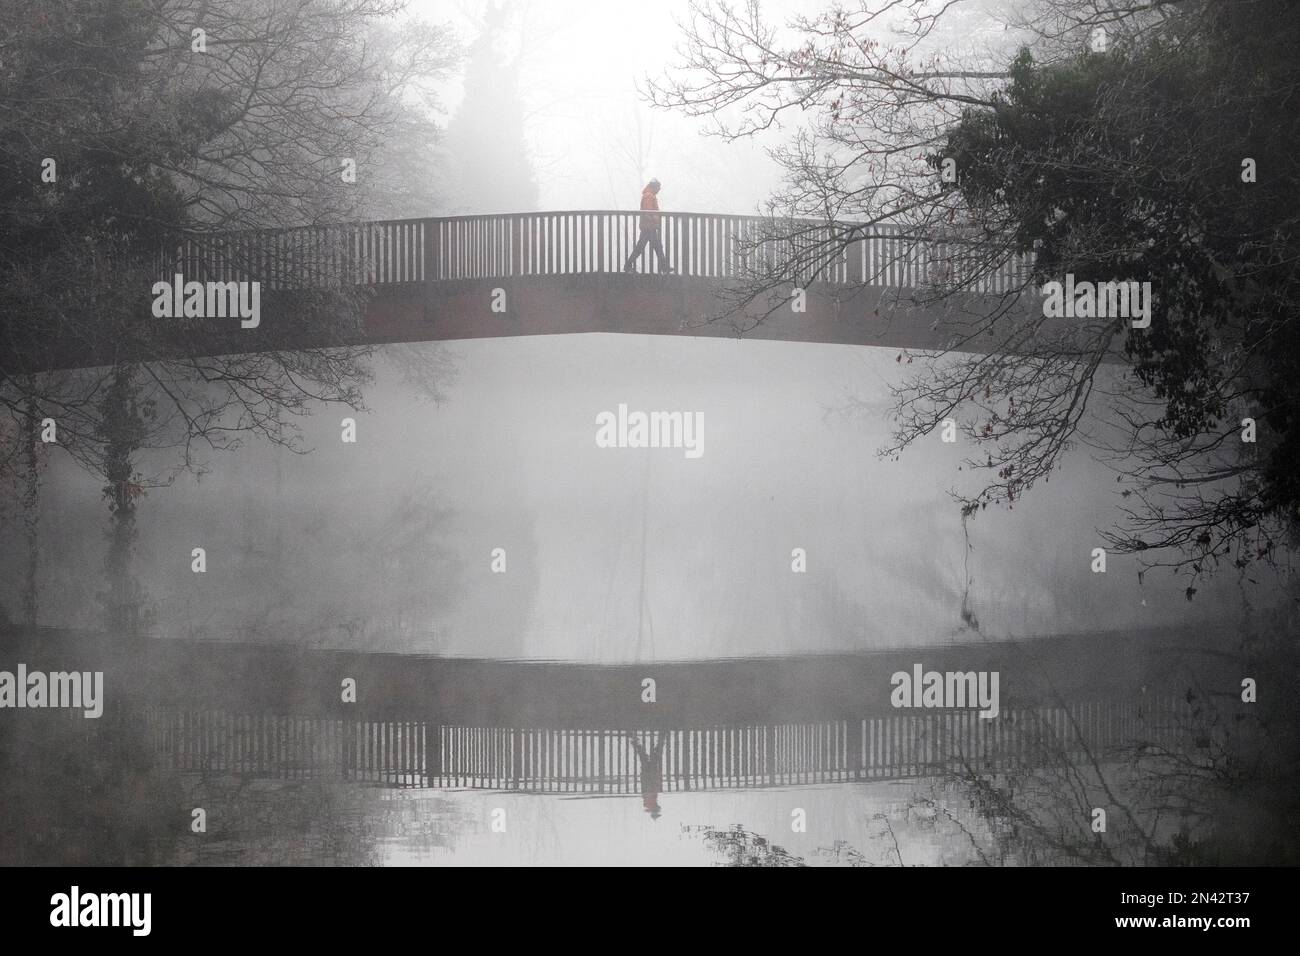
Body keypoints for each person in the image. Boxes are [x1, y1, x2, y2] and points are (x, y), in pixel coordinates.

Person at [623, 178, 675, 274]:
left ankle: (664, 267)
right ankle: (628, 266)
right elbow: (647, 212)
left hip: (649, 227)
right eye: (658, 187)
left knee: (652, 247)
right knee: (648, 247)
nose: (659, 189)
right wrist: (655, 219)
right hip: (648, 227)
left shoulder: (649, 195)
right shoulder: (648, 196)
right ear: (654, 186)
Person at [627, 732, 668, 820]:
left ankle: (660, 739)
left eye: (657, 811)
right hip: (648, 775)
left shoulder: (650, 802)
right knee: (646, 756)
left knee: (650, 756)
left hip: (649, 775)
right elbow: (650, 788)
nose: (658, 808)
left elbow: (650, 787)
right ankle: (635, 741)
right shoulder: (649, 803)